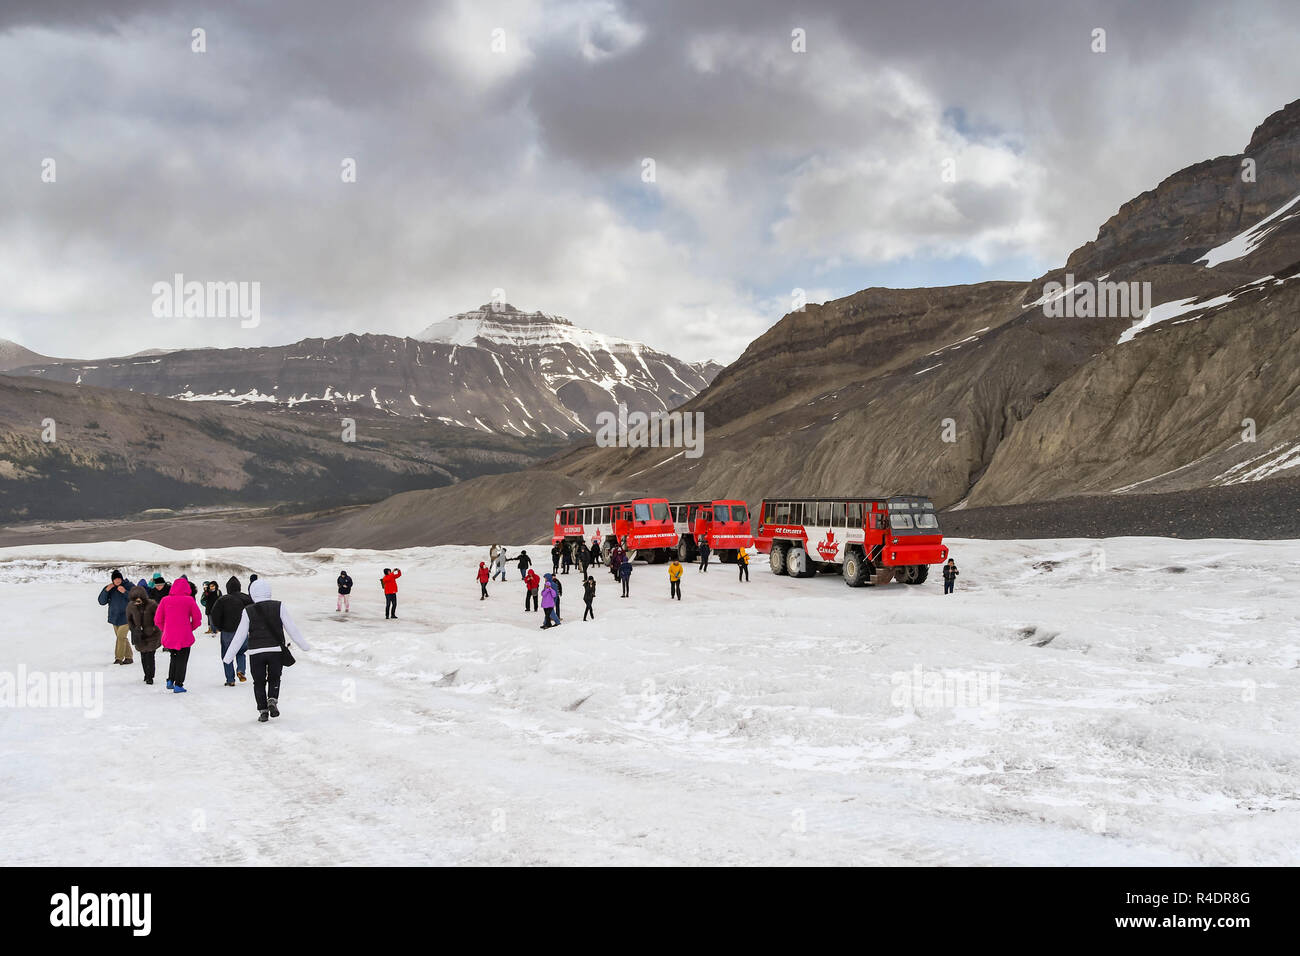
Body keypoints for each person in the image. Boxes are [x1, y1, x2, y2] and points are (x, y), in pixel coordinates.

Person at [224, 579, 312, 722]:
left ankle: (263, 711)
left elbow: (240, 636)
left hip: (255, 653)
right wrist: (304, 645)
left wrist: (229, 657)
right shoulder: (279, 606)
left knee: (258, 682)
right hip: (275, 650)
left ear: (252, 593)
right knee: (274, 677)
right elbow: (292, 628)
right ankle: (272, 699)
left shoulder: (248, 611)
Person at [154, 578, 202, 693]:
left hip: (169, 636)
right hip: (184, 636)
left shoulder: (165, 600)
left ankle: (170, 680)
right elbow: (197, 618)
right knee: (182, 659)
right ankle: (178, 684)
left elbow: (157, 620)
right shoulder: (189, 600)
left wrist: (165, 629)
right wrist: (190, 628)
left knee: (174, 657)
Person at [210, 576, 253, 685]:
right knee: (241, 652)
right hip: (243, 631)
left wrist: (219, 627)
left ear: (228, 588)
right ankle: (241, 670)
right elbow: (254, 612)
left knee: (227, 654)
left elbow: (214, 615)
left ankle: (230, 680)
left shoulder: (222, 599)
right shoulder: (247, 598)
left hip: (227, 631)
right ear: (239, 587)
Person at [125, 585, 161, 684]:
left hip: (152, 634)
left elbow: (158, 617)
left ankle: (150, 676)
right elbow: (129, 619)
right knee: (143, 656)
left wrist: (154, 628)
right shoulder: (131, 606)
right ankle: (146, 674)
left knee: (150, 655)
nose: (138, 600)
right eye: (135, 598)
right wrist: (134, 629)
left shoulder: (152, 604)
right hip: (139, 635)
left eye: (139, 598)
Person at [97, 569, 134, 666]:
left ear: (121, 579)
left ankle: (118, 658)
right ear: (112, 580)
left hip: (127, 617)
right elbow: (101, 602)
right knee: (122, 638)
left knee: (121, 637)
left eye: (119, 579)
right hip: (115, 617)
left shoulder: (129, 586)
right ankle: (129, 657)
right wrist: (106, 590)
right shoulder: (110, 588)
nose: (117, 581)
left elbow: (137, 599)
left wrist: (125, 592)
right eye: (115, 579)